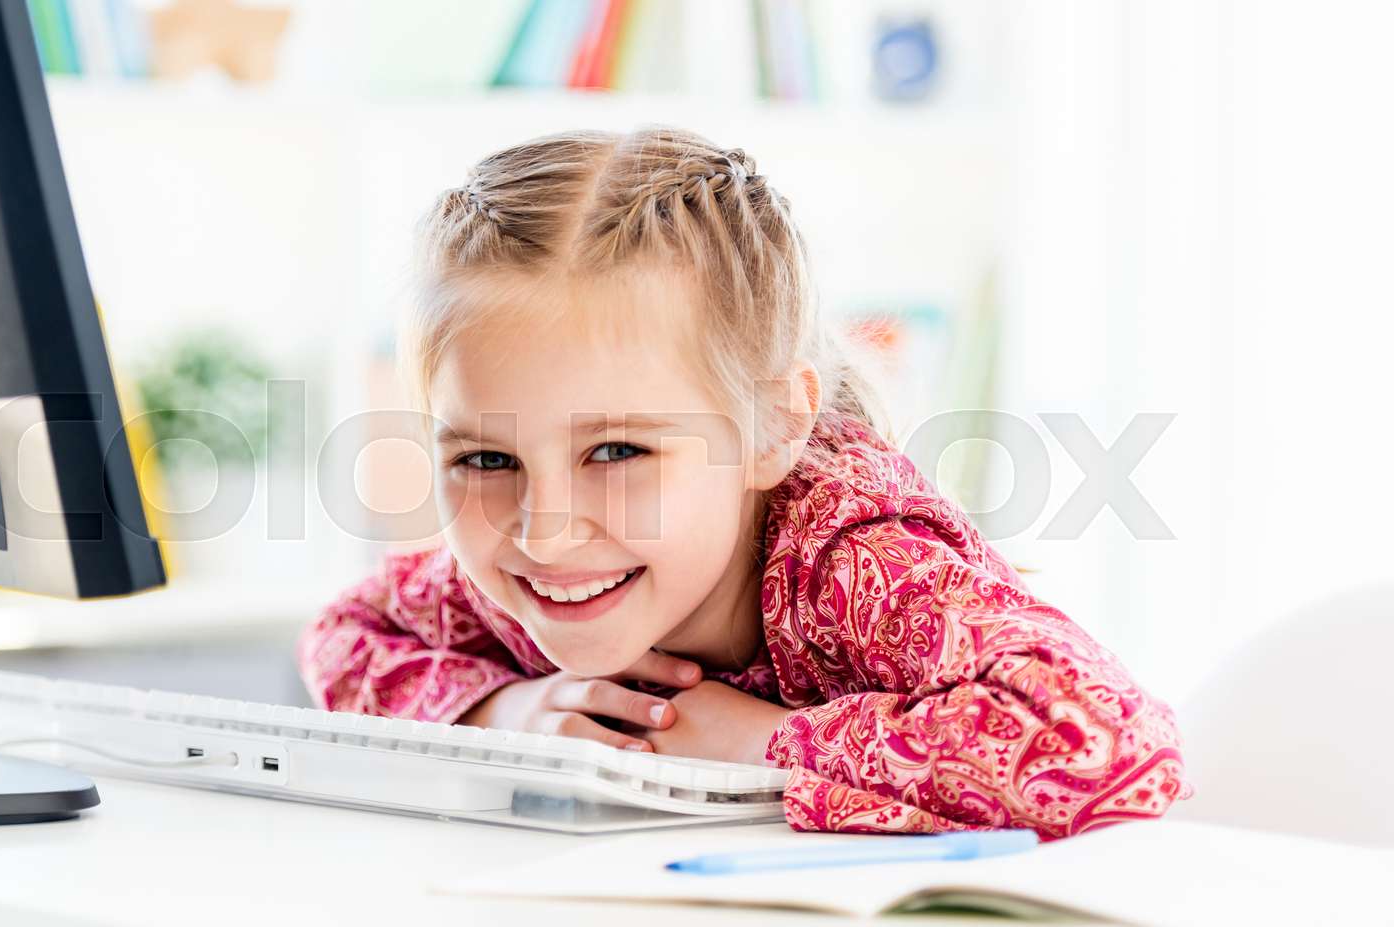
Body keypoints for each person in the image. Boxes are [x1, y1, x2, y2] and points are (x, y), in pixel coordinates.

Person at [296, 127, 1190, 839]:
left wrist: (764, 742)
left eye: (616, 452)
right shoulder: (515, 576)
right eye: (484, 460)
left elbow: (1105, 740)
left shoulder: (851, 559)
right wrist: (503, 708)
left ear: (774, 427)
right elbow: (343, 633)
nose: (544, 531)